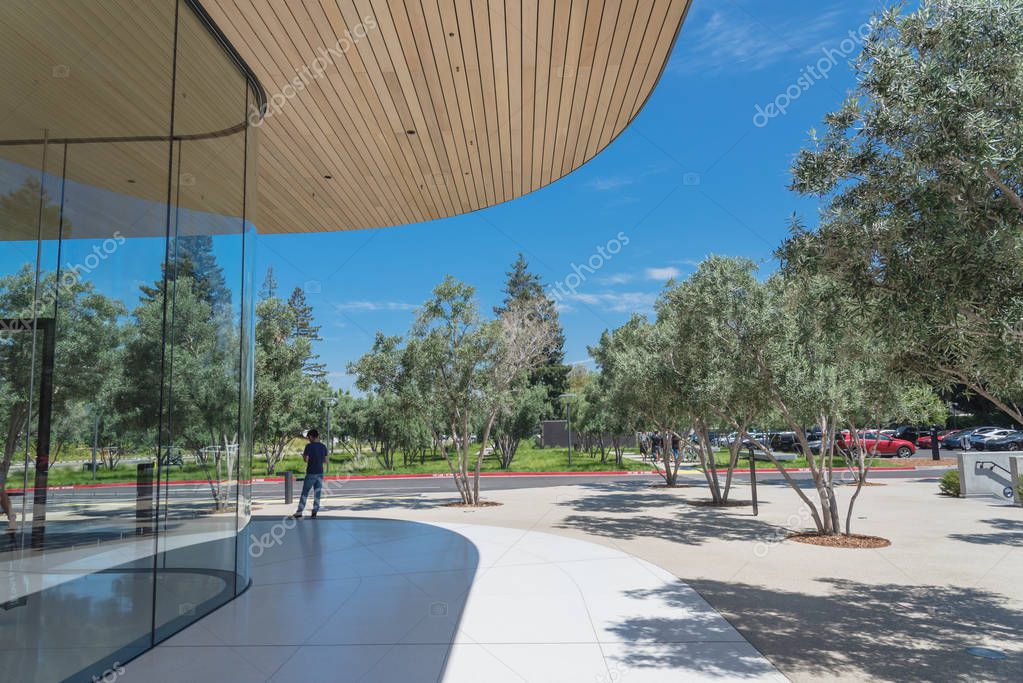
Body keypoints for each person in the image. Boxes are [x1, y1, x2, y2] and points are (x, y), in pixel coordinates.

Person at [292, 429, 328, 519]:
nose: (308, 439)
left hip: (311, 473)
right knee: (317, 493)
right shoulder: (323, 446)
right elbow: (326, 461)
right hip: (320, 473)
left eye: (308, 437)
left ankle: (299, 512)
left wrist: (304, 456)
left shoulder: (309, 446)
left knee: (305, 493)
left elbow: (306, 460)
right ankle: (315, 512)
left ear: (311, 436)